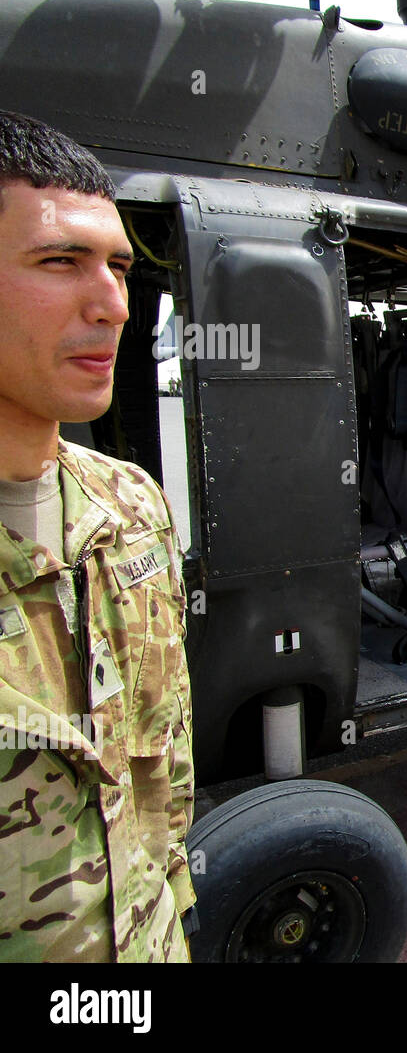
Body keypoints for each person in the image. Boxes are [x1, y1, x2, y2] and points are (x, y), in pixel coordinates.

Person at [0, 111, 195, 961]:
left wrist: (172, 905)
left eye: (117, 265)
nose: (114, 302)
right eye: (59, 262)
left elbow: (165, 756)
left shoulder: (130, 507)